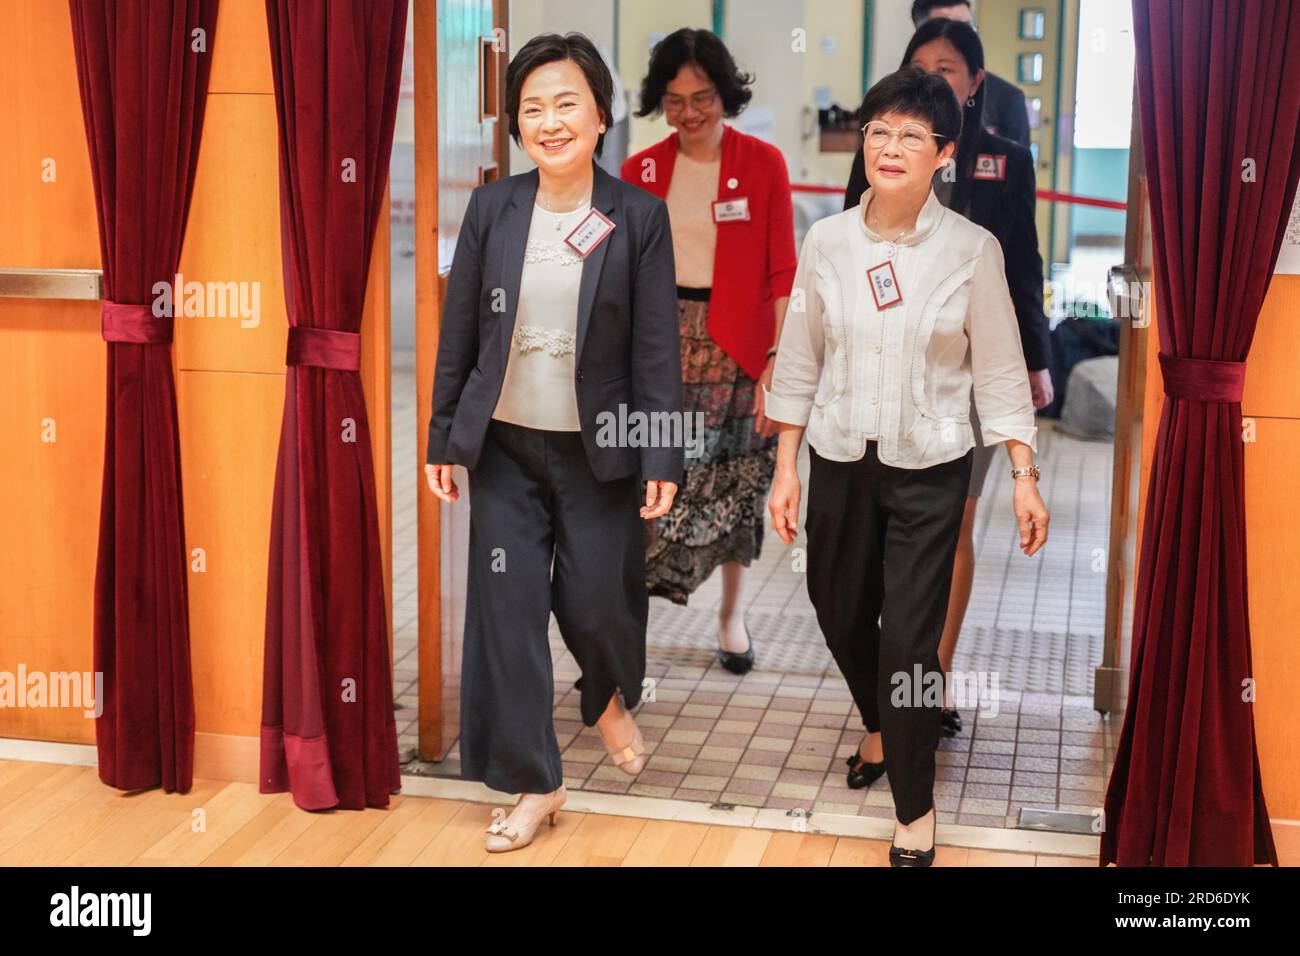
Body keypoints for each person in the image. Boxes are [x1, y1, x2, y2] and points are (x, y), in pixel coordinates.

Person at [764, 66, 1049, 866]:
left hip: (931, 469)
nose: (890, 147)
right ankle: (887, 723)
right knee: (835, 606)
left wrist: (1023, 473)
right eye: (879, 131)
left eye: (911, 136)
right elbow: (798, 360)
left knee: (910, 647)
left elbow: (997, 370)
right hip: (840, 458)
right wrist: (786, 466)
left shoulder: (971, 251)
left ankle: (914, 810)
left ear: (943, 154)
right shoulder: (827, 241)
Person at [425, 32, 684, 853]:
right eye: (532, 107)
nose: (549, 120)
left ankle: (605, 696)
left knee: (595, 604)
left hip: (598, 449)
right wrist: (443, 437)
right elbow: (459, 330)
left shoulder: (637, 215)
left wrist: (662, 454)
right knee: (508, 614)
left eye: (566, 101)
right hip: (504, 447)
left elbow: (656, 349)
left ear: (601, 114)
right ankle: (537, 781)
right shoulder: (494, 208)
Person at [844, 17, 1054, 740]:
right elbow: (847, 248)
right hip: (882, 366)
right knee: (874, 531)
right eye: (920, 65)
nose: (934, 78)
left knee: (951, 524)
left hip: (968, 376)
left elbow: (1022, 265)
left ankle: (929, 675)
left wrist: (1035, 361)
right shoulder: (883, 150)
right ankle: (891, 679)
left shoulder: (1006, 158)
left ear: (975, 85)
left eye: (949, 67)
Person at [621, 28, 796, 674]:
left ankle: (732, 619)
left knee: (733, 486)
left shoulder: (764, 164)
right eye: (673, 100)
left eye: (702, 97)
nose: (689, 113)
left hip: (738, 347)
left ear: (726, 93)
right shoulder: (641, 169)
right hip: (662, 345)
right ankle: (623, 630)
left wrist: (779, 358)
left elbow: (783, 271)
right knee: (647, 486)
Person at [910, 0, 1031, 147]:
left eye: (968, 28)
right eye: (946, 28)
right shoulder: (897, 95)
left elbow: (1017, 164)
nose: (961, 39)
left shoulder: (1007, 98)